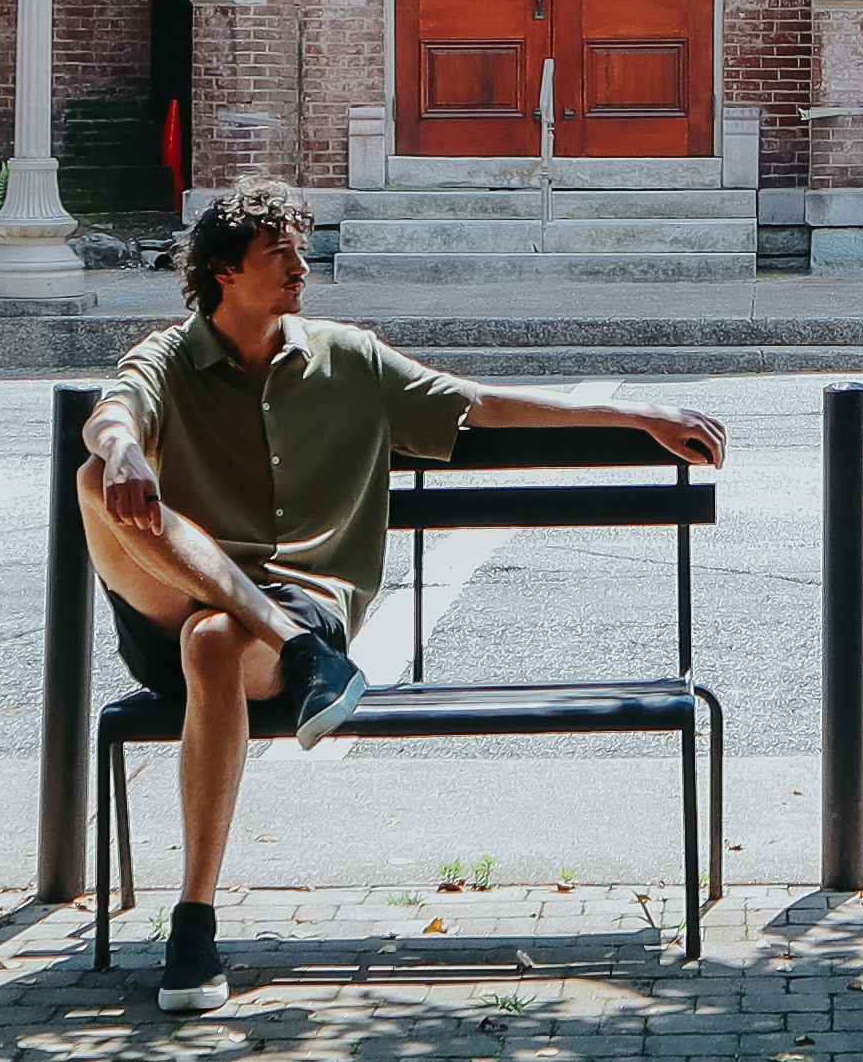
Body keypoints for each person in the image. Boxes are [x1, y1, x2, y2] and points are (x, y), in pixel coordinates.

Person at [80, 180, 720, 1010]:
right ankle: (300, 651)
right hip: (170, 602)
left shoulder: (349, 358)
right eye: (282, 255)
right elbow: (113, 412)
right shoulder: (168, 357)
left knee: (216, 639)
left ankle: (193, 924)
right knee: (98, 478)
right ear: (226, 272)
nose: (303, 268)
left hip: (289, 610)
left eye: (301, 251)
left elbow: (484, 405)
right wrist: (125, 447)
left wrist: (631, 411)